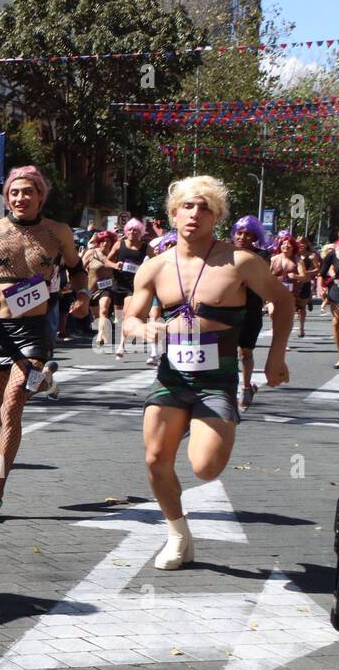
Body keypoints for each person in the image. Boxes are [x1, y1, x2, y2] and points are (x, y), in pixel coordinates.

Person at [122, 176, 292, 569]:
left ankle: (218, 421)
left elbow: (282, 302)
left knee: (205, 467)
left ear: (216, 216)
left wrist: (275, 357)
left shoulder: (241, 261)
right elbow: (130, 316)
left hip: (217, 377)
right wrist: (142, 328)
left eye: (204, 207)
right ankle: (178, 535)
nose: (194, 213)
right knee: (154, 459)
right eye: (187, 206)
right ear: (172, 213)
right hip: (171, 376)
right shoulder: (154, 267)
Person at [0, 166, 89, 518]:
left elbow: (78, 269)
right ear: (7, 197)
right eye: (14, 192)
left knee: (12, 406)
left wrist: (83, 294)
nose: (20, 198)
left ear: (40, 196)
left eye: (28, 192)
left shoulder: (58, 232)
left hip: (34, 329)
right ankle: (43, 377)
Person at [230, 215, 271, 411]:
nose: (243, 237)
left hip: (251, 309)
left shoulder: (261, 256)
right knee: (226, 351)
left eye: (248, 234)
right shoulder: (224, 252)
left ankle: (246, 388)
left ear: (254, 237)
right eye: (240, 233)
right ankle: (227, 388)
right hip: (225, 308)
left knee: (245, 351)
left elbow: (260, 279)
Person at [112, 218, 151, 360]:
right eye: (130, 230)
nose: (132, 232)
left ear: (140, 232)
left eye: (136, 230)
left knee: (128, 314)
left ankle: (121, 346)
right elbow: (107, 260)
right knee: (121, 317)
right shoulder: (119, 244)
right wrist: (114, 265)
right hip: (118, 284)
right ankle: (131, 332)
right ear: (126, 231)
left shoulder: (145, 247)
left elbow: (156, 261)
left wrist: (145, 268)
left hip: (134, 286)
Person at [321, 225, 339, 369]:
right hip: (338, 290)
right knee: (336, 322)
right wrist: (321, 289)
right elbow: (322, 272)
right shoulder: (333, 254)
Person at [270, 235, 305, 339]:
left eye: (288, 244)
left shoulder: (298, 260)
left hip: (291, 294)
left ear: (293, 247)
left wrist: (296, 276)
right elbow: (267, 274)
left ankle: (283, 340)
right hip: (275, 292)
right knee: (273, 313)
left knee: (286, 319)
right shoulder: (274, 259)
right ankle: (276, 334)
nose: (286, 246)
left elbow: (305, 277)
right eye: (283, 244)